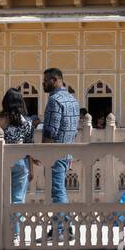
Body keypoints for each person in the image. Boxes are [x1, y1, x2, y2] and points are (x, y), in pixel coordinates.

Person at [41, 68, 79, 237]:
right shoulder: (72, 100)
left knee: (57, 191)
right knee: (61, 190)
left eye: (45, 81)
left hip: (55, 153)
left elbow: (50, 131)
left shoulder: (55, 100)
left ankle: (60, 230)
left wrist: (44, 154)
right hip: (68, 151)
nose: (43, 84)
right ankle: (65, 226)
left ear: (55, 80)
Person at [0, 88, 36, 205]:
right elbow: (29, 147)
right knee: (18, 201)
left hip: (3, 161)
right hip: (21, 161)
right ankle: (16, 224)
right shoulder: (28, 122)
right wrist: (31, 169)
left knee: (2, 200)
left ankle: (2, 224)